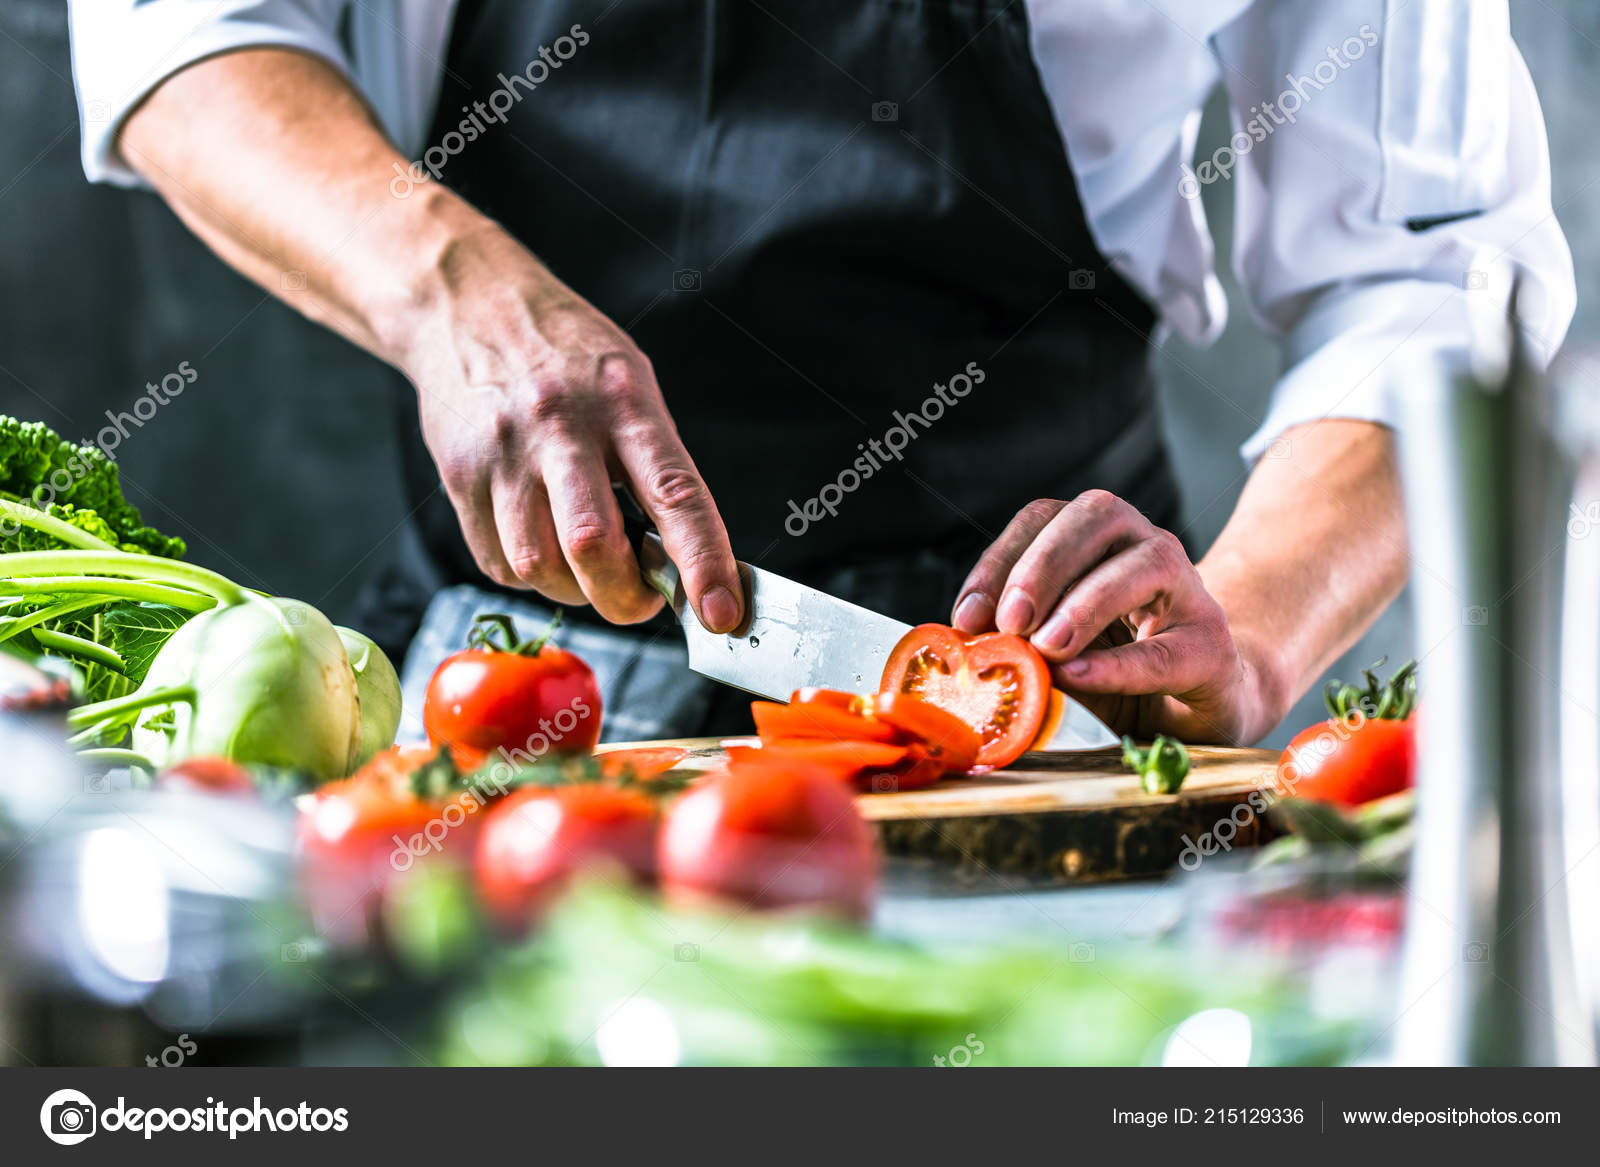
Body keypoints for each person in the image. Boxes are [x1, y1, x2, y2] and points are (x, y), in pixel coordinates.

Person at [68, 0, 1573, 745]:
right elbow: (181, 29)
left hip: (1050, 737)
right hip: (515, 725)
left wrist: (1247, 633)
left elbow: (1431, 268)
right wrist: (452, 289)